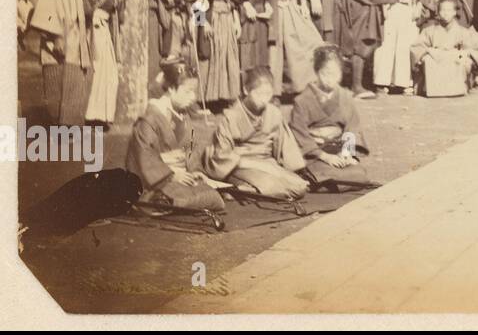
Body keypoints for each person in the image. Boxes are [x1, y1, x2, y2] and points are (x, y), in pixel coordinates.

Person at [125, 60, 225, 212]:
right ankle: (160, 200)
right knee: (190, 199)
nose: (192, 97)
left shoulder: (183, 115)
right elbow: (144, 157)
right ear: (171, 89)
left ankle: (170, 201)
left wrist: (195, 170)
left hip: (180, 175)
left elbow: (190, 146)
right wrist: (171, 175)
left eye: (194, 91)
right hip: (155, 180)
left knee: (214, 198)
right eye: (187, 91)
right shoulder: (150, 119)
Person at [203, 67, 309, 199]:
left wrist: (283, 169)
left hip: (267, 162)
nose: (264, 99)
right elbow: (221, 155)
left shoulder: (274, 113)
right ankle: (237, 188)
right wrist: (255, 164)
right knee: (273, 188)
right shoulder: (232, 116)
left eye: (268, 94)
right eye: (259, 94)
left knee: (299, 187)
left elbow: (285, 148)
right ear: (246, 90)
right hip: (239, 165)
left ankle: (244, 190)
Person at [32, 0, 95, 125]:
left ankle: (70, 127)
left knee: (75, 82)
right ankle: (58, 129)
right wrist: (55, 36)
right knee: (57, 83)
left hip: (75, 34)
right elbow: (46, 4)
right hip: (60, 35)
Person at [290, 45, 371, 186]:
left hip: (339, 152)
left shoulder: (345, 96)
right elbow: (299, 133)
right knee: (324, 175)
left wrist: (346, 153)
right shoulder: (302, 100)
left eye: (334, 74)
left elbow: (352, 127)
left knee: (359, 175)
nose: (329, 79)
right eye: (325, 73)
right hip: (314, 154)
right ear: (316, 72)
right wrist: (324, 156)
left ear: (341, 74)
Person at [81, 0, 122, 127]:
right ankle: (91, 117)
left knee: (108, 71)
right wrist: (92, 11)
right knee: (95, 68)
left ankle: (101, 116)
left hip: (105, 22)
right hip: (89, 22)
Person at [411, 0, 478, 97]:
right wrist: (425, 55)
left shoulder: (463, 31)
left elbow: (476, 50)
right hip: (436, 58)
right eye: (443, 10)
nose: (446, 14)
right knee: (427, 59)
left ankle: (459, 88)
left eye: (449, 10)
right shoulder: (429, 30)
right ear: (438, 12)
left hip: (456, 57)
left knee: (464, 59)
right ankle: (434, 90)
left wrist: (466, 54)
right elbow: (417, 48)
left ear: (455, 12)